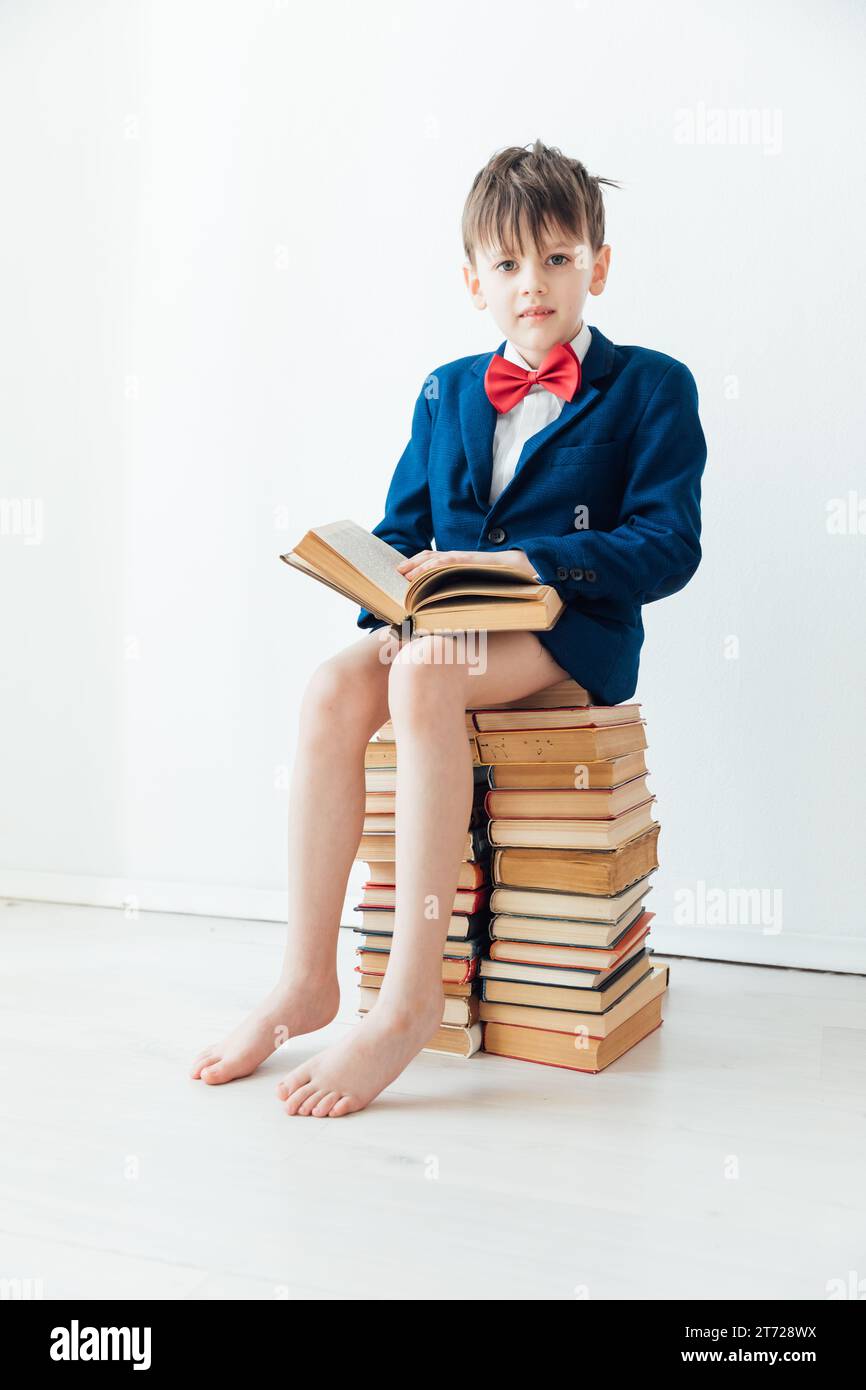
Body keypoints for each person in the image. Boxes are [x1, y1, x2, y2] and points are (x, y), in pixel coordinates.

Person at [190, 139, 706, 1117]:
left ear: (598, 264)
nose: (533, 283)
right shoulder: (444, 389)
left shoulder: (651, 386)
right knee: (335, 683)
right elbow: (402, 525)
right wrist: (379, 571)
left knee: (422, 675)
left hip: (570, 637)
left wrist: (529, 562)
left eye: (556, 258)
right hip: (451, 631)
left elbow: (666, 545)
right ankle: (306, 975)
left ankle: (407, 1000)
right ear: (472, 279)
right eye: (508, 263)